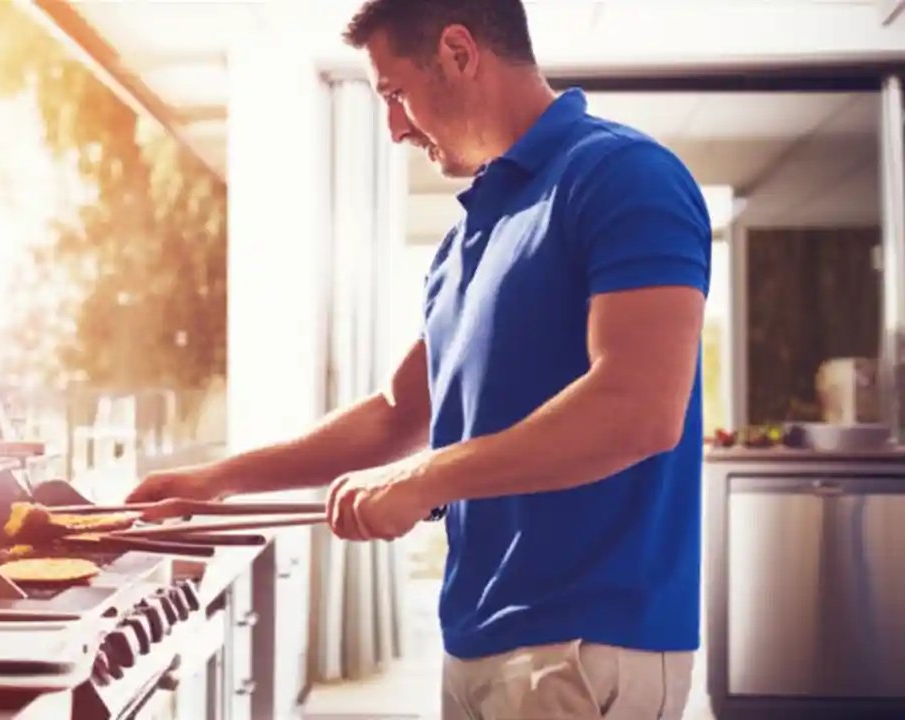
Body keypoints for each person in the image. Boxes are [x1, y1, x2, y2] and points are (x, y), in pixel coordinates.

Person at [127, 0, 710, 717]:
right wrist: (216, 481)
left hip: (587, 642)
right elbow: (399, 413)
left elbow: (641, 411)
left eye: (396, 93)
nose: (395, 127)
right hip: (478, 635)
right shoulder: (470, 234)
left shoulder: (623, 176)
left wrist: (425, 474)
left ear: (461, 52)